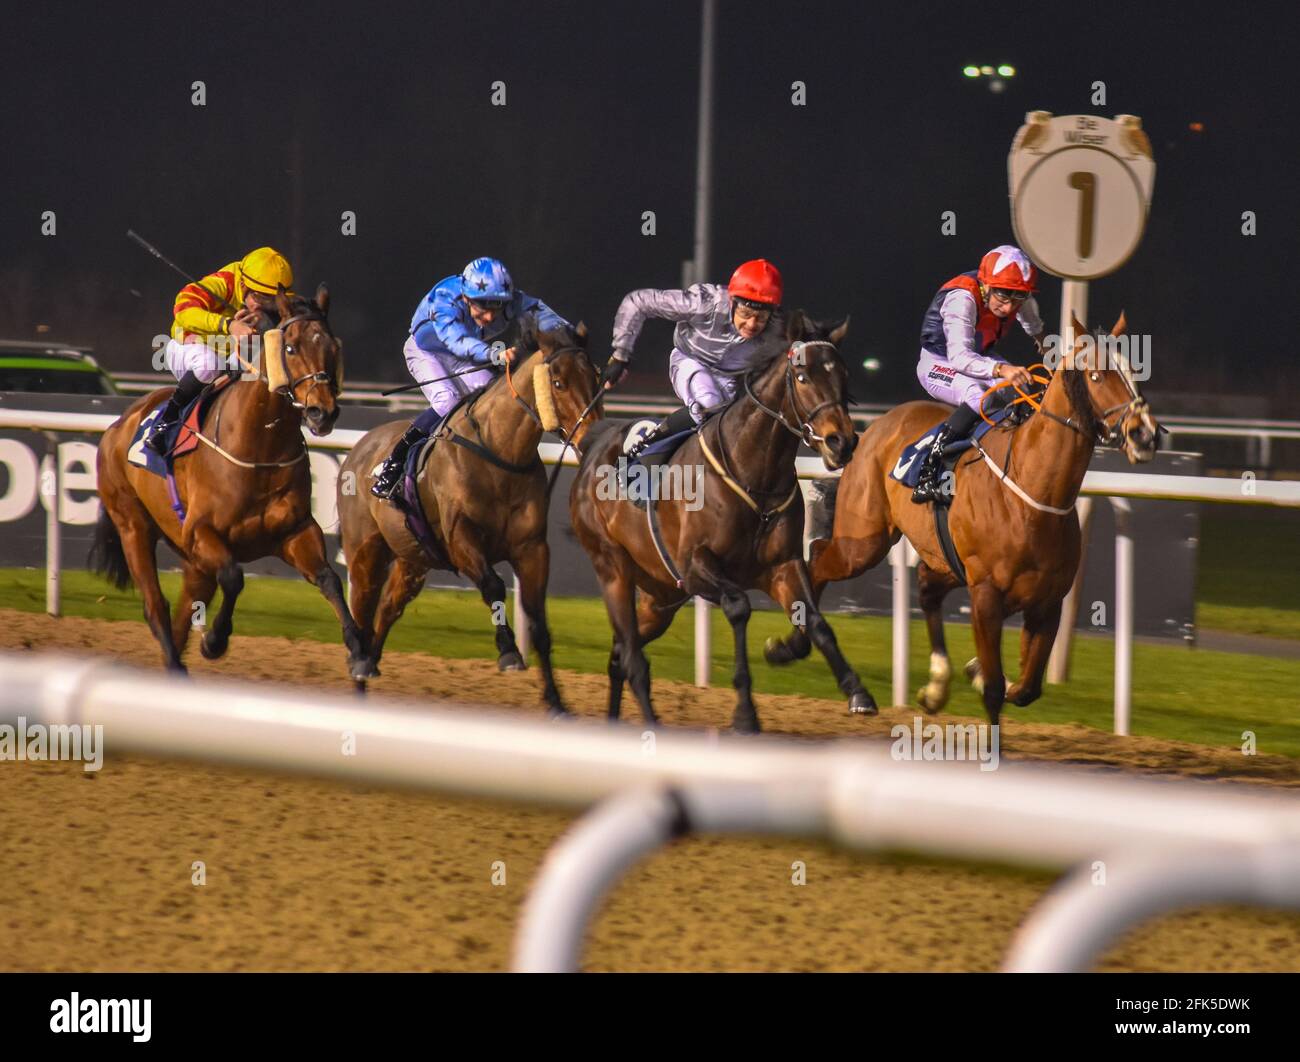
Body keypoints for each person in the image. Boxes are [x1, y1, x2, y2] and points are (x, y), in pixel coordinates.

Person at [370, 256, 570, 499]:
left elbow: (547, 317)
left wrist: (570, 339)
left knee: (490, 397)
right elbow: (456, 339)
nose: (489, 316)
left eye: (496, 307)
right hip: (427, 351)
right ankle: (394, 462)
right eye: (482, 307)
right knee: (447, 401)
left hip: (463, 355)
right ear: (465, 297)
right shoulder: (444, 298)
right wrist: (494, 354)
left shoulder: (508, 300)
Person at [601, 259, 787, 456]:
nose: (751, 324)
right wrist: (620, 356)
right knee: (709, 405)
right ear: (732, 302)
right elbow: (638, 302)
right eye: (746, 313)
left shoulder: (779, 328)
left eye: (761, 318)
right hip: (690, 361)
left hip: (734, 379)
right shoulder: (703, 303)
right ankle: (647, 447)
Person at [910, 244, 1046, 504]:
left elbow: (1033, 325)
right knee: (979, 397)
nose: (1008, 308)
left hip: (978, 357)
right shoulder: (962, 298)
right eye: (1003, 296)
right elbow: (960, 358)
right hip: (939, 362)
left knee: (1022, 392)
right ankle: (930, 467)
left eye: (1018, 298)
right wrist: (1001, 369)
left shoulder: (1017, 296)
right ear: (986, 285)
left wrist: (1051, 350)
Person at [145, 247, 292, 455]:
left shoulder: (266, 299)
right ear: (243, 285)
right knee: (209, 364)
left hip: (230, 353)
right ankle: (166, 423)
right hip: (188, 346)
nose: (265, 307)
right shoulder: (222, 283)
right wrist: (228, 324)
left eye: (273, 300)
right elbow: (183, 310)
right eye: (260, 299)